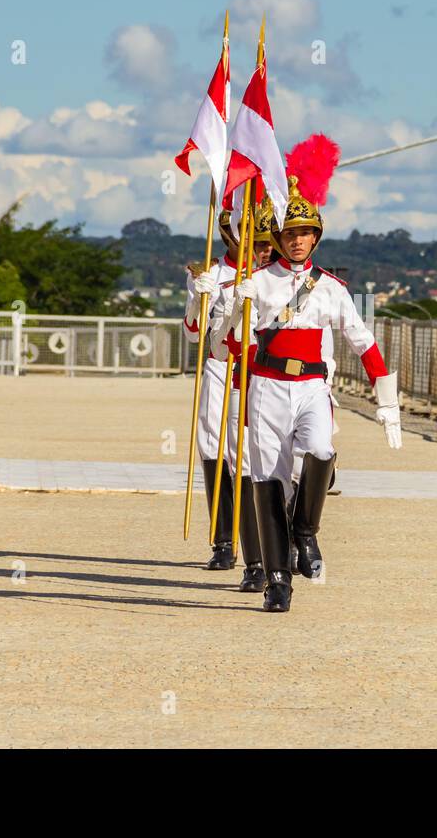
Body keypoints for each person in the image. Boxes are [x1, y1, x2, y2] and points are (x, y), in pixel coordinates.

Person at [215, 133, 402, 613]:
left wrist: (388, 404)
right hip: (268, 386)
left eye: (305, 234)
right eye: (290, 234)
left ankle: (306, 532)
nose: (297, 241)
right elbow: (224, 348)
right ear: (277, 239)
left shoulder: (332, 289)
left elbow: (364, 343)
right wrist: (230, 316)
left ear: (315, 238)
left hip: (312, 386)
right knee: (269, 479)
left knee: (321, 449)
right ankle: (278, 580)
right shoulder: (254, 282)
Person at [182, 206, 273, 590]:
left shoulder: (273, 277)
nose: (263, 250)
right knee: (210, 444)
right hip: (222, 364)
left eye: (268, 242)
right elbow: (192, 333)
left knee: (248, 456)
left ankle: (265, 549)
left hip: (259, 369)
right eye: (256, 240)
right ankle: (223, 539)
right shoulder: (211, 274)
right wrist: (195, 300)